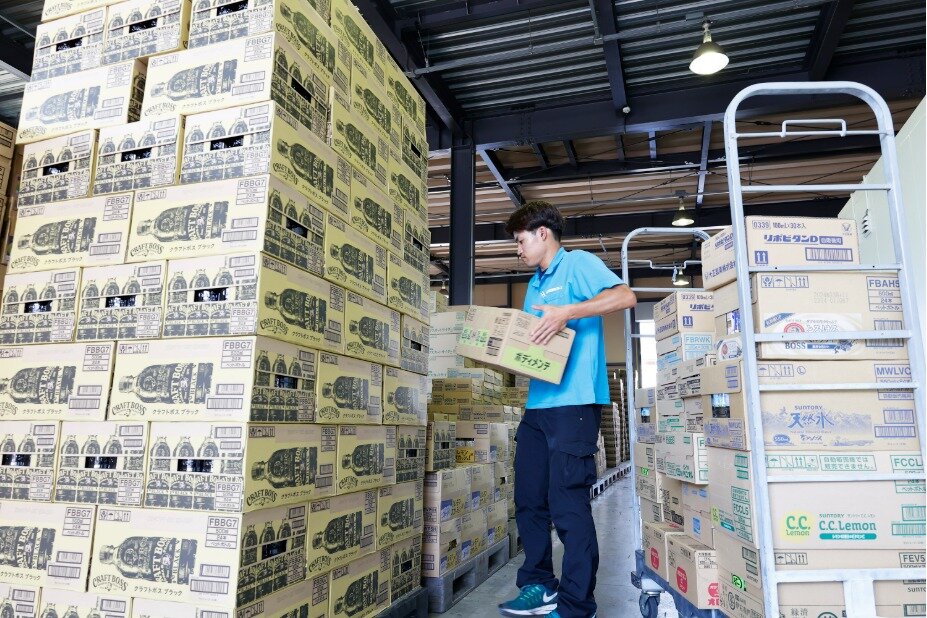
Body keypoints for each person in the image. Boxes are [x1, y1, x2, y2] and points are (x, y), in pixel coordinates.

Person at [497, 201, 636, 618]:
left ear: (542, 233)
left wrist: (569, 312)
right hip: (538, 405)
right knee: (528, 500)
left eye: (520, 240)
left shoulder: (578, 264)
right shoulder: (534, 284)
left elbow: (626, 296)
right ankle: (538, 585)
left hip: (574, 405)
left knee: (567, 505)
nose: (518, 249)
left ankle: (577, 604)